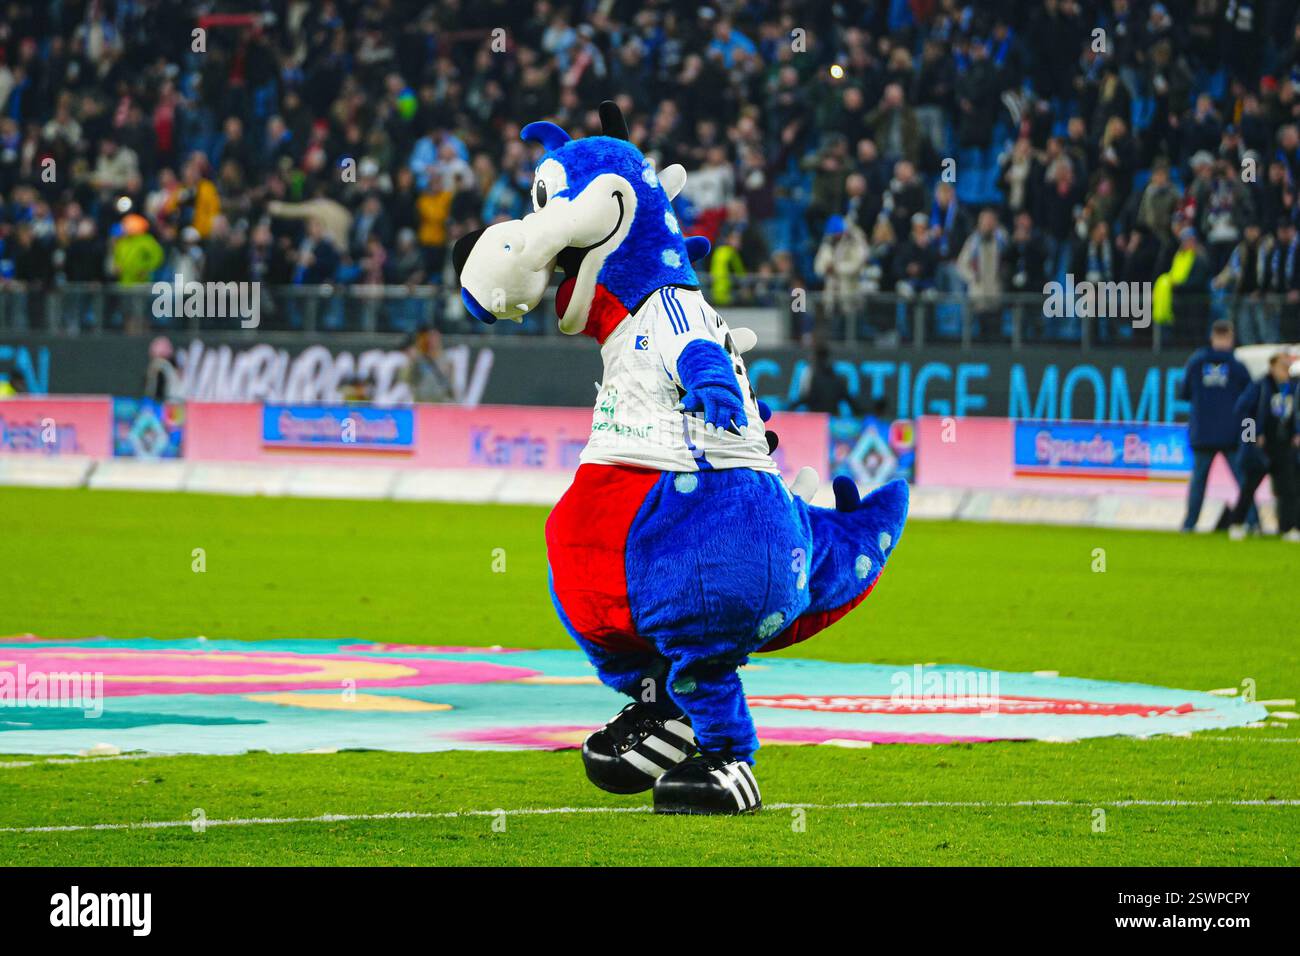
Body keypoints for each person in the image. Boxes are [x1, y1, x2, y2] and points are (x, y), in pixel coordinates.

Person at [1179, 320, 1251, 531]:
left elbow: (1184, 394)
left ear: (1212, 337)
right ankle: (1253, 523)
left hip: (1203, 433)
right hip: (1230, 434)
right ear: (1230, 338)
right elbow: (1251, 401)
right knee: (1244, 481)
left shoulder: (1196, 362)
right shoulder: (1238, 367)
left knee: (1198, 483)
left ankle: (1189, 525)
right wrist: (1249, 436)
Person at [1226, 351, 1299, 541]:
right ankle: (1237, 523)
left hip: (1283, 445)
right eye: (1283, 366)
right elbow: (1242, 411)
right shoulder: (1261, 387)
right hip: (1262, 447)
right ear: (1273, 366)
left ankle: (1289, 528)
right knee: (1250, 486)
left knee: (1288, 488)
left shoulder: (1292, 388)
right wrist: (1251, 437)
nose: (1286, 370)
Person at [795, 343, 862, 416]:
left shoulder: (816, 380)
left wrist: (790, 407)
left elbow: (808, 398)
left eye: (812, 357)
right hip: (831, 419)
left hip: (817, 420)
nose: (810, 359)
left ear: (816, 358)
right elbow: (850, 401)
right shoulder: (837, 379)